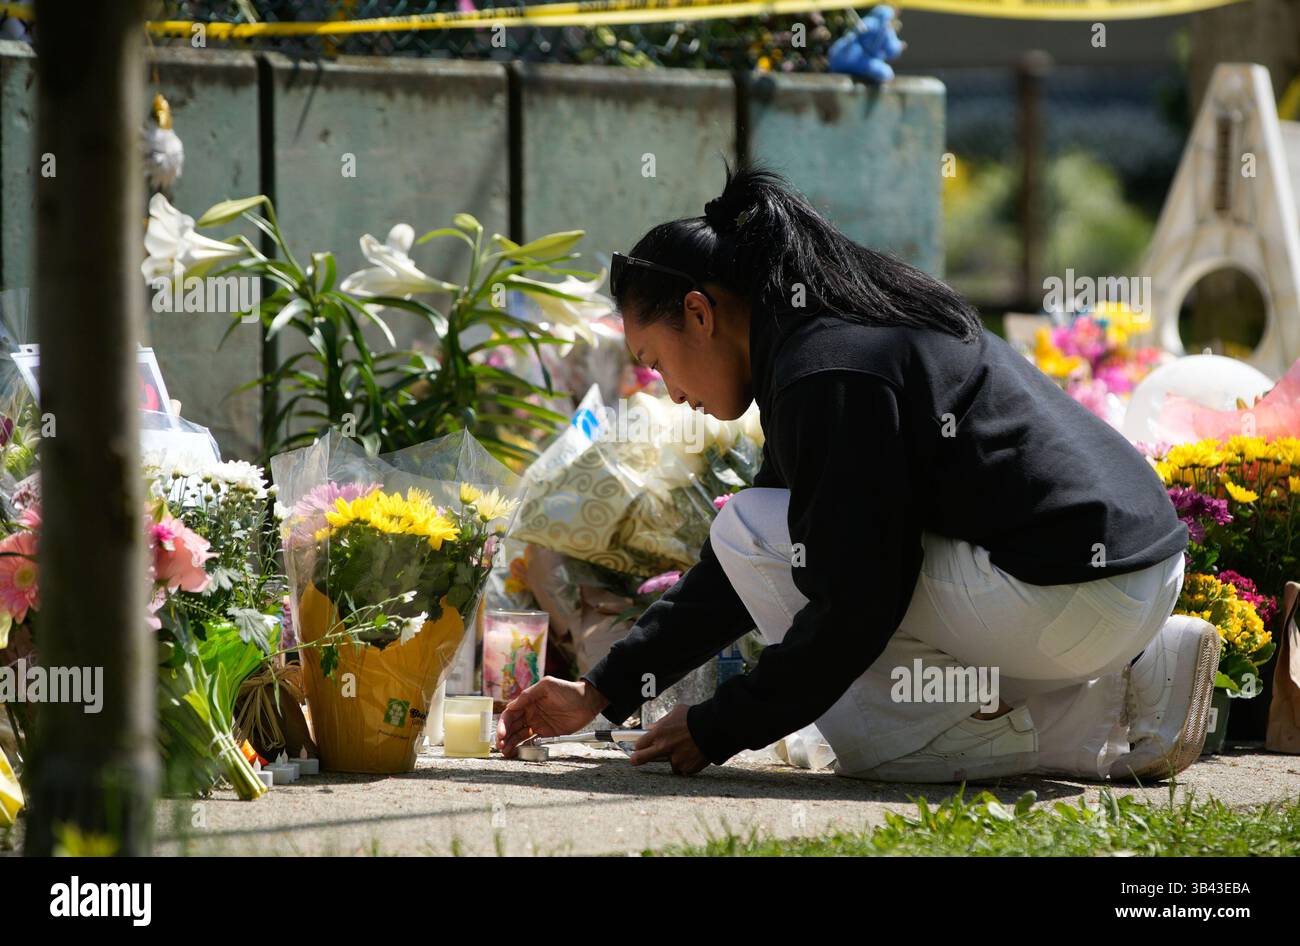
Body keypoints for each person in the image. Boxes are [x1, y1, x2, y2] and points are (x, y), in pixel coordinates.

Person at [496, 163, 1218, 783]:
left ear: (700, 312)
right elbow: (769, 558)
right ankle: (1135, 672)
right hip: (1131, 576)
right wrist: (604, 689)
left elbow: (857, 595)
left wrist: (721, 724)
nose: (668, 391)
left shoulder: (825, 368)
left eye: (655, 360)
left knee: (873, 738)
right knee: (770, 546)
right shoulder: (828, 330)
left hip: (1071, 596)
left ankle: (1102, 719)